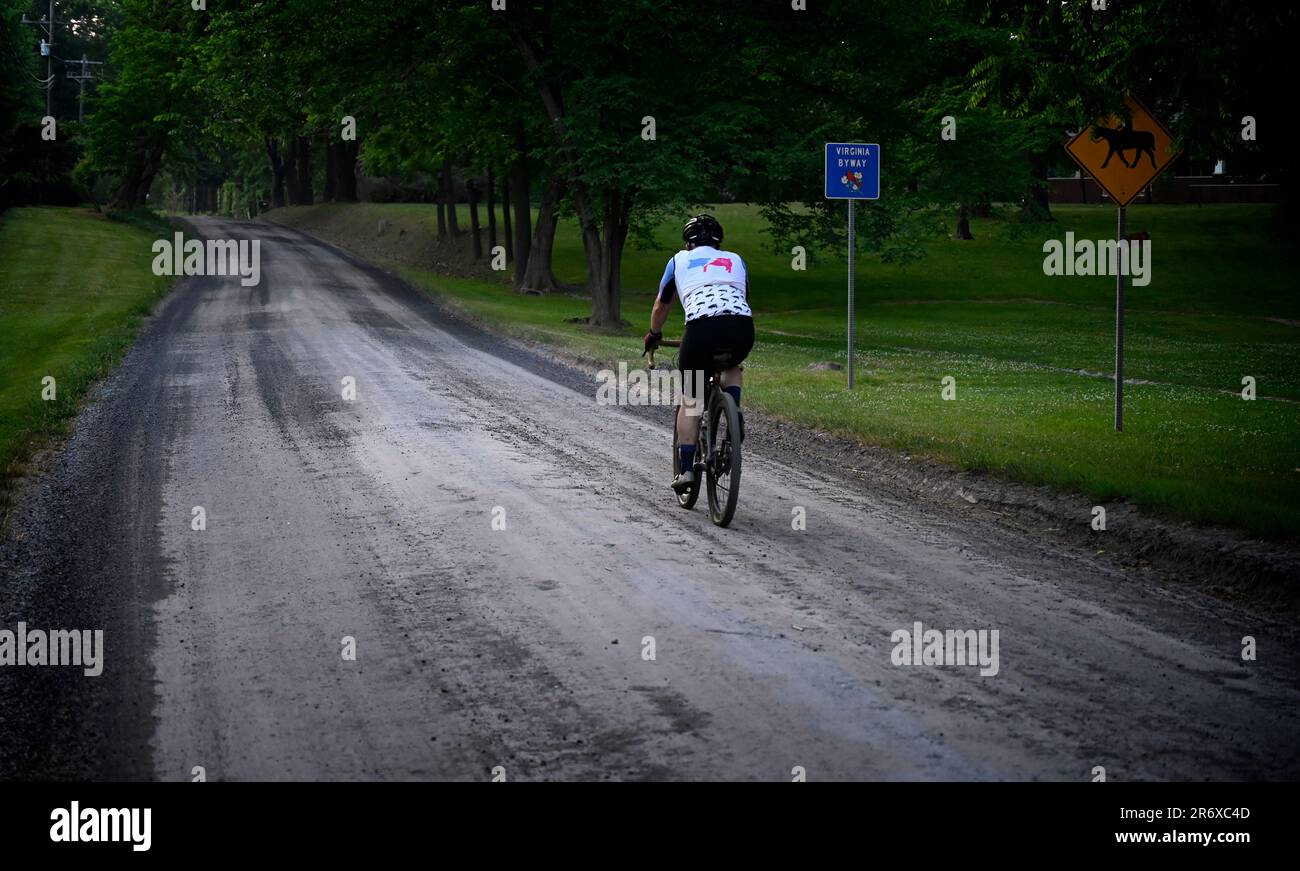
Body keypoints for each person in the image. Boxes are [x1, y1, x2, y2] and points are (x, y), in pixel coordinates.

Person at [643, 214, 755, 493]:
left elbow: (661, 306)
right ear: (720, 243)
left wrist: (654, 334)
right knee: (732, 366)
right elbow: (742, 295)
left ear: (688, 243)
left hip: (701, 328)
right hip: (741, 327)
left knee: (691, 398)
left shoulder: (678, 260)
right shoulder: (736, 260)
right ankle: (734, 410)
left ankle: (686, 471)